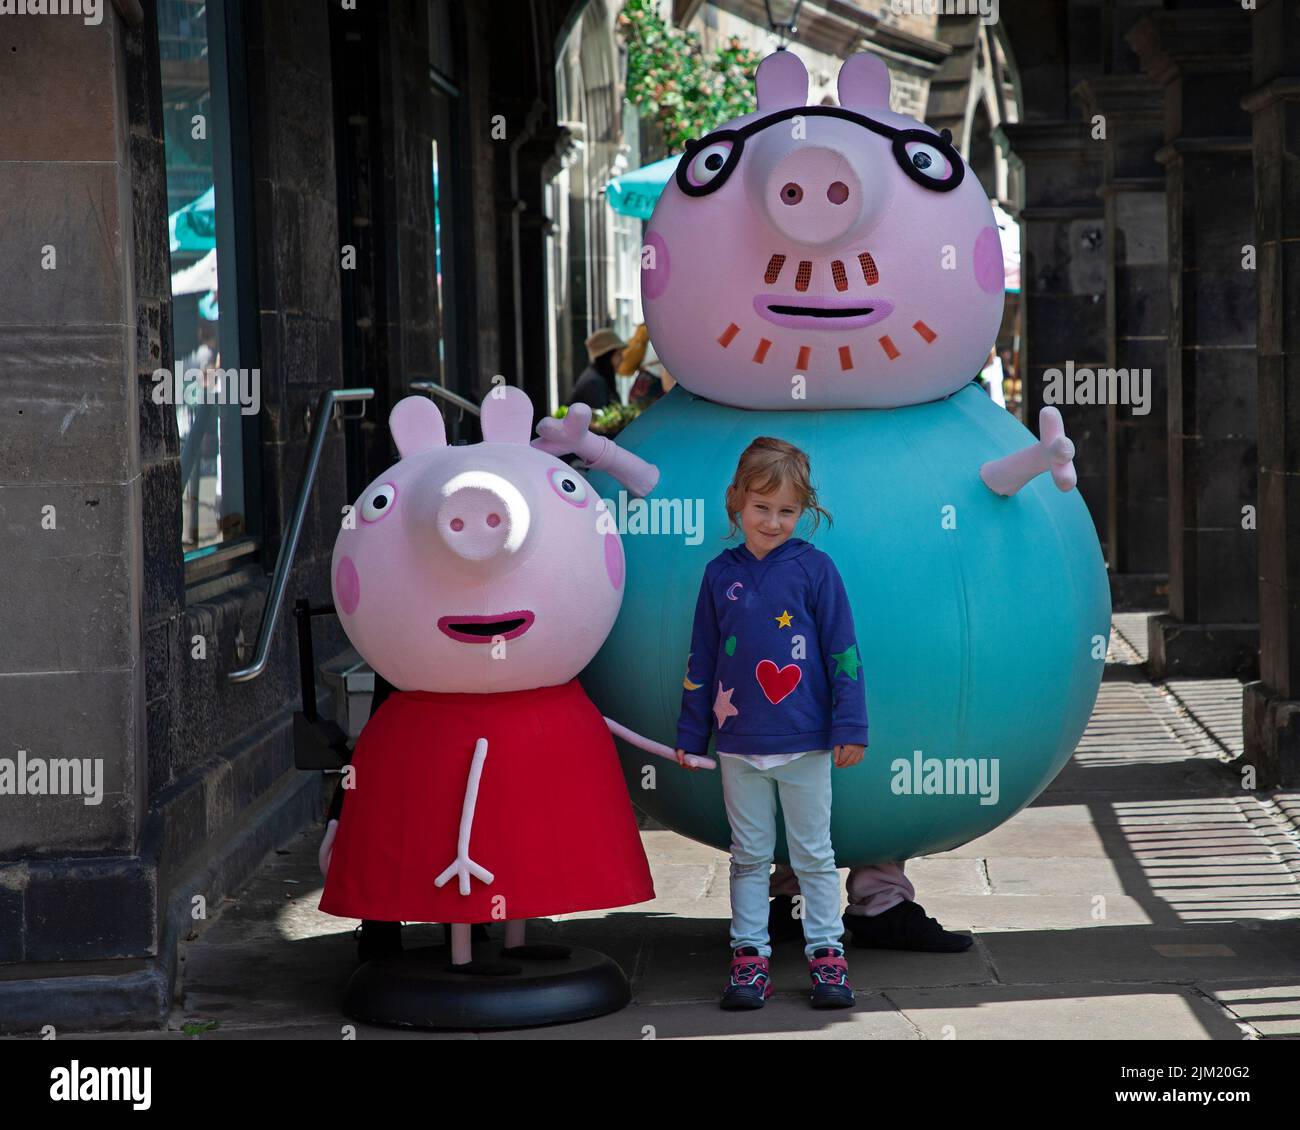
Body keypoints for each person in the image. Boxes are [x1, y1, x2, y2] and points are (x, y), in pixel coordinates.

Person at [674, 438, 866, 1011]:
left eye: (787, 511)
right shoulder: (718, 575)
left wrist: (850, 726)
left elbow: (843, 651)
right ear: (736, 502)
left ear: (803, 511)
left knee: (814, 856)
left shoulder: (817, 569)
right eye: (762, 508)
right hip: (738, 745)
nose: (773, 521)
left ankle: (828, 956)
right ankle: (749, 958)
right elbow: (700, 659)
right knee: (750, 855)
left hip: (807, 744)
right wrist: (690, 734)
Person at [568, 327, 625, 410]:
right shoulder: (594, 383)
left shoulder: (598, 376)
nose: (622, 359)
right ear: (607, 357)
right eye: (618, 354)